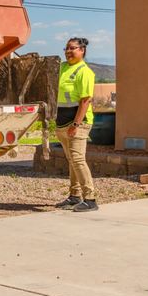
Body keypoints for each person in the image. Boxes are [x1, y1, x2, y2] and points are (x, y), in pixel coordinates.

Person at [54, 37, 98, 212]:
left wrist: (76, 124)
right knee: (71, 160)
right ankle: (74, 196)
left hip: (78, 123)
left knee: (78, 159)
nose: (68, 51)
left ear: (82, 51)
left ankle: (90, 199)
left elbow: (85, 100)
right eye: (66, 48)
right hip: (62, 122)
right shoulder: (63, 68)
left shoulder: (84, 71)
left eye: (72, 48)